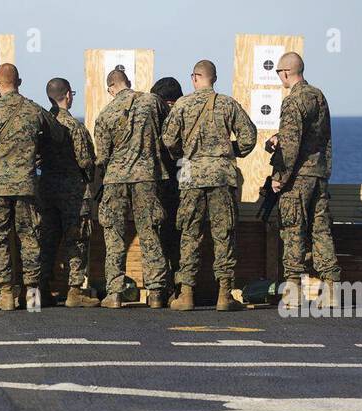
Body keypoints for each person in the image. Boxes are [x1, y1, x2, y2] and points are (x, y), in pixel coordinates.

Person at [161, 60, 256, 311]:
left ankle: (187, 294)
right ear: (214, 78)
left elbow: (168, 140)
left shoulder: (182, 105)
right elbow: (249, 137)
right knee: (223, 234)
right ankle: (224, 295)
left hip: (191, 175)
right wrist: (228, 150)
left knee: (190, 234)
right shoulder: (227, 103)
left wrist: (185, 153)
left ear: (195, 77)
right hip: (222, 176)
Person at [0, 63, 61, 311]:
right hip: (27, 185)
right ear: (19, 82)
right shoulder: (34, 110)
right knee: (30, 239)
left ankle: (5, 295)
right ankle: (32, 297)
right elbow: (57, 136)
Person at [93, 67, 170, 309]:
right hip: (147, 177)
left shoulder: (105, 115)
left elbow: (102, 157)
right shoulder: (152, 101)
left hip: (115, 179)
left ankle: (115, 293)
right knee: (150, 232)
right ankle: (156, 293)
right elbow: (168, 135)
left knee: (114, 235)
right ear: (128, 82)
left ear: (110, 89)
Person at [268, 52, 340, 304]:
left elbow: (289, 145)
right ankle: (331, 289)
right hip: (318, 174)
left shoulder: (293, 100)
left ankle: (294, 291)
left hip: (297, 179)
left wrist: (279, 176)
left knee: (293, 230)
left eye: (278, 73)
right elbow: (322, 139)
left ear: (286, 72)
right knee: (321, 231)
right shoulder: (318, 96)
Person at [38, 77, 99, 308]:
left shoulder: (43, 123)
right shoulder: (74, 127)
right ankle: (74, 291)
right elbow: (85, 161)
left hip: (46, 188)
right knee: (76, 240)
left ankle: (42, 289)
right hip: (72, 191)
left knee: (47, 239)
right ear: (68, 96)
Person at [150, 76, 184, 277]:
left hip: (158, 183)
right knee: (179, 235)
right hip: (180, 181)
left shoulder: (150, 117)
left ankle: (161, 286)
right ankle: (181, 286)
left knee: (158, 235)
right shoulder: (185, 114)